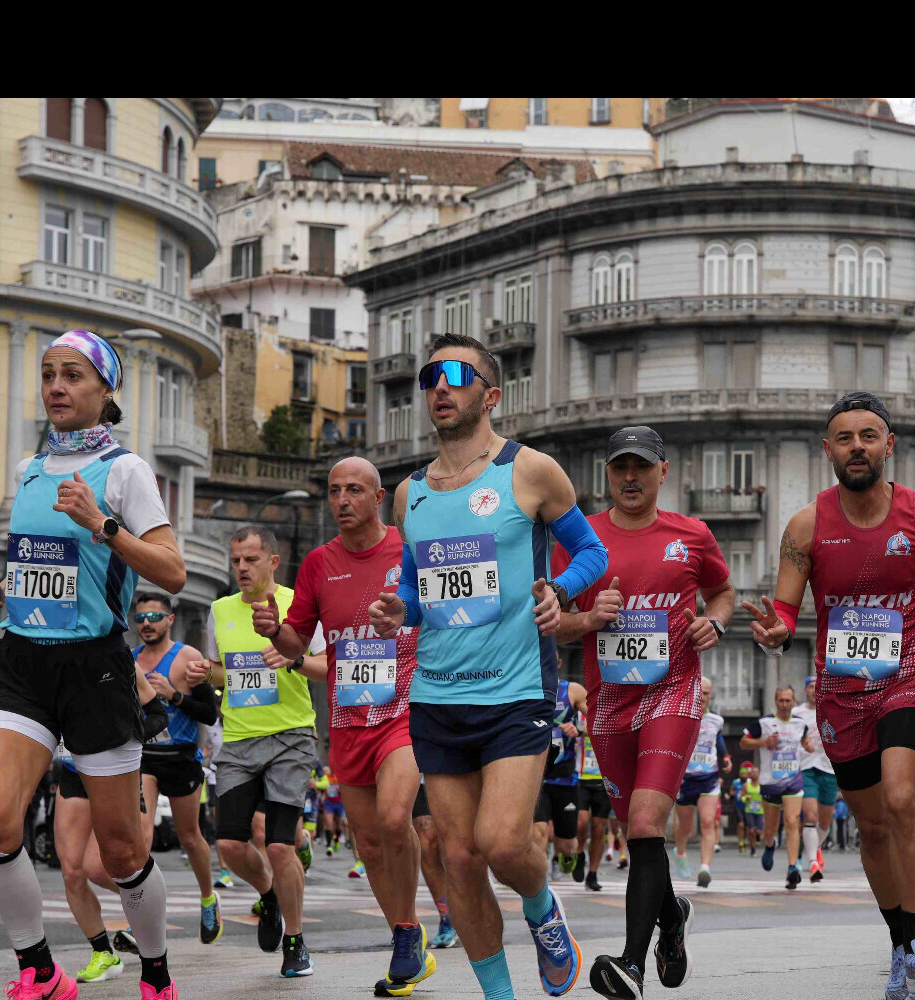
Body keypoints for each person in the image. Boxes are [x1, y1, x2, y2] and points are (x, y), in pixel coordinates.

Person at [368, 333, 607, 1000]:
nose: (440, 387)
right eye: (429, 377)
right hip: (437, 696)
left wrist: (559, 592)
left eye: (456, 375)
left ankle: (541, 908)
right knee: (461, 859)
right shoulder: (409, 494)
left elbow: (591, 554)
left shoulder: (530, 471)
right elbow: (419, 589)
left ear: (491, 395)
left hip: (516, 689)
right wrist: (399, 611)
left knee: (503, 844)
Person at [0, 330, 186, 1000]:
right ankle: (40, 969)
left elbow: (171, 571)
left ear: (104, 390)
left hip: (95, 670)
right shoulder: (31, 469)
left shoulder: (125, 472)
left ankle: (155, 972)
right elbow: (53, 574)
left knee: (120, 851)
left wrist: (103, 524)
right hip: (22, 662)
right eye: (48, 374)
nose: (56, 387)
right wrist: (1, 594)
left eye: (73, 376)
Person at [742, 391, 915, 1000]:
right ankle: (899, 946)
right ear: (828, 451)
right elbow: (785, 614)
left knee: (900, 800)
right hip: (840, 694)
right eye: (845, 438)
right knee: (870, 827)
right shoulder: (807, 525)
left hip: (910, 678)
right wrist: (775, 633)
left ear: (889, 445)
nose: (857, 447)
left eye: (869, 436)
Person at [548, 426, 734, 999]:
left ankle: (630, 963)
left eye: (642, 467)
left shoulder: (692, 534)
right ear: (608, 474)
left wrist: (716, 621)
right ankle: (671, 919)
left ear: (662, 472)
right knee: (638, 832)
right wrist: (589, 619)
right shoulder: (581, 540)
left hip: (673, 694)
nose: (630, 477)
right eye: (620, 467)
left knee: (649, 823)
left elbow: (722, 592)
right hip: (608, 703)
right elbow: (554, 624)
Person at [255, 459, 437, 995]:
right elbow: (296, 643)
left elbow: (448, 611)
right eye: (334, 491)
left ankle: (407, 940)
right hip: (349, 717)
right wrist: (276, 631)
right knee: (368, 842)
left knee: (393, 814)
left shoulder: (409, 548)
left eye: (354, 490)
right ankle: (407, 934)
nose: (342, 500)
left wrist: (412, 615)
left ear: (377, 497)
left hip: (406, 708)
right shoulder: (318, 563)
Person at [179, 525, 322, 978]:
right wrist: (206, 672)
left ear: (273, 562)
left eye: (251, 559)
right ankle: (270, 894)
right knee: (228, 844)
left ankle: (296, 942)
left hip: (291, 737)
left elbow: (325, 666)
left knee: (280, 846)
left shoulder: (297, 603)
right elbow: (225, 673)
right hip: (239, 739)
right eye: (236, 559)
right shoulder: (220, 609)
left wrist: (293, 658)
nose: (241, 567)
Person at [129, 595, 222, 945]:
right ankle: (143, 917)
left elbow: (210, 714)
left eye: (154, 616)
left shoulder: (188, 658)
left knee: (189, 836)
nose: (146, 623)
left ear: (170, 619)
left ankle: (207, 897)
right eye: (140, 618)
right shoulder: (131, 660)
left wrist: (174, 695)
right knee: (141, 837)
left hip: (182, 756)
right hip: (145, 757)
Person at [52, 749, 146, 983]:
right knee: (71, 873)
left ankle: (149, 903)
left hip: (113, 770)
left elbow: (155, 716)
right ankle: (104, 953)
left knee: (95, 868)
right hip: (73, 770)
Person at [737, 687, 813, 890]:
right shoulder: (764, 723)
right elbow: (743, 742)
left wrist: (807, 746)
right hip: (770, 782)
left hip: (793, 780)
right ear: (776, 701)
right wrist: (763, 742)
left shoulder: (800, 724)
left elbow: (804, 740)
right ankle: (769, 844)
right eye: (781, 700)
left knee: (792, 820)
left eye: (788, 700)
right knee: (770, 828)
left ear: (794, 701)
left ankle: (792, 868)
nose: (785, 704)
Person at [673, 678, 730, 887]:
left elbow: (718, 740)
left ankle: (705, 868)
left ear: (710, 695)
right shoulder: (681, 715)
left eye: (706, 693)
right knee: (686, 828)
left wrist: (726, 758)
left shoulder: (716, 720)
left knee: (707, 822)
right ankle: (680, 852)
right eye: (700, 692)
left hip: (709, 778)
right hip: (685, 778)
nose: (703, 697)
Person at [538, 680, 588, 887]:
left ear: (557, 661)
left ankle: (571, 856)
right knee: (538, 832)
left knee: (566, 844)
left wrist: (578, 728)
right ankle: (539, 880)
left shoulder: (572, 690)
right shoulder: (522, 684)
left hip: (565, 778)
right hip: (535, 778)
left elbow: (599, 719)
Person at [792, 674, 838, 883]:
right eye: (810, 686)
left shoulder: (832, 708)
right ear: (805, 690)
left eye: (817, 686)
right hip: (806, 767)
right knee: (810, 817)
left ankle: (815, 847)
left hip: (829, 768)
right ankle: (812, 863)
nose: (813, 689)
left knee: (825, 822)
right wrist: (802, 744)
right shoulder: (797, 713)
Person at [414, 781, 459, 948]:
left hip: (459, 765)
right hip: (419, 768)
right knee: (426, 841)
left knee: (459, 846)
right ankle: (447, 917)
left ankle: (473, 906)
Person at [575, 722, 612, 892]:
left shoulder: (608, 709)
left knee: (599, 829)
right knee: (581, 823)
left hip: (603, 779)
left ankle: (593, 874)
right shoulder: (578, 710)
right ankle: (580, 853)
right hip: (581, 778)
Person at [737, 765, 764, 851]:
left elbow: (767, 797)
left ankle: (758, 837)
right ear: (750, 774)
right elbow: (741, 797)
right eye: (753, 772)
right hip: (749, 810)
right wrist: (746, 798)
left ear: (759, 774)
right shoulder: (746, 785)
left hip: (760, 811)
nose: (755, 774)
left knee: (759, 831)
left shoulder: (762, 785)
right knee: (752, 830)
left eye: (757, 772)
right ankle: (752, 848)